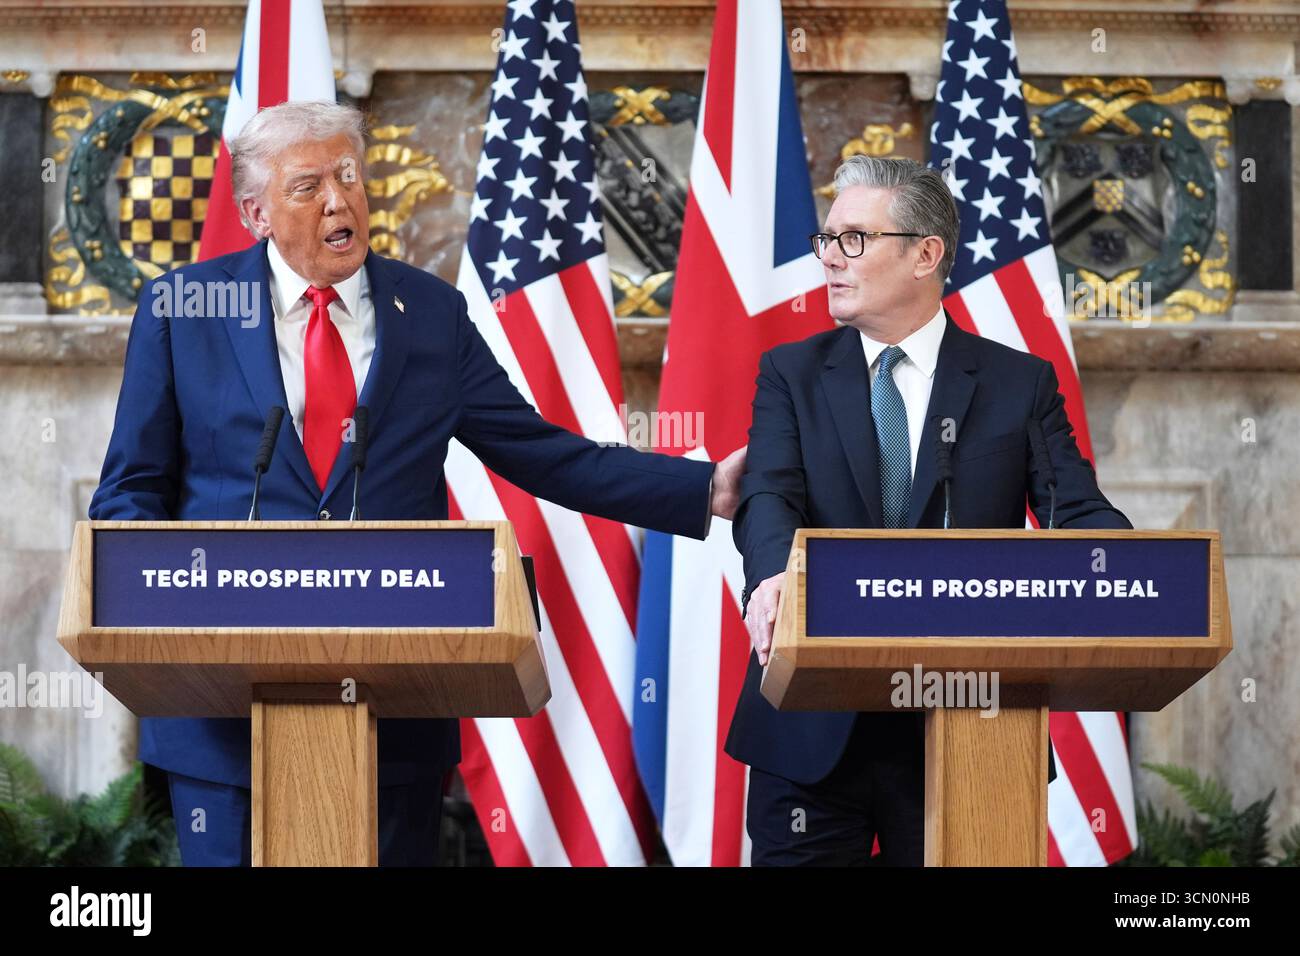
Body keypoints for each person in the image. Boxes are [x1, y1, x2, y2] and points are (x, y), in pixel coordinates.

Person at [90, 100, 745, 866]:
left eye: (349, 177)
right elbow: (131, 490)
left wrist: (704, 490)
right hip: (225, 721)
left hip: (393, 712)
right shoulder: (183, 311)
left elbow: (542, 453)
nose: (340, 200)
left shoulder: (429, 313)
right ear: (256, 213)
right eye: (309, 186)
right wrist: (167, 610)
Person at [729, 155, 1131, 866]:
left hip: (971, 731)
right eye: (828, 239)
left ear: (925, 253)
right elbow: (769, 495)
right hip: (811, 731)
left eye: (854, 239)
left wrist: (1135, 574)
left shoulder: (1017, 384)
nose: (830, 258)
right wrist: (770, 578)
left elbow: (1079, 515)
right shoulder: (791, 373)